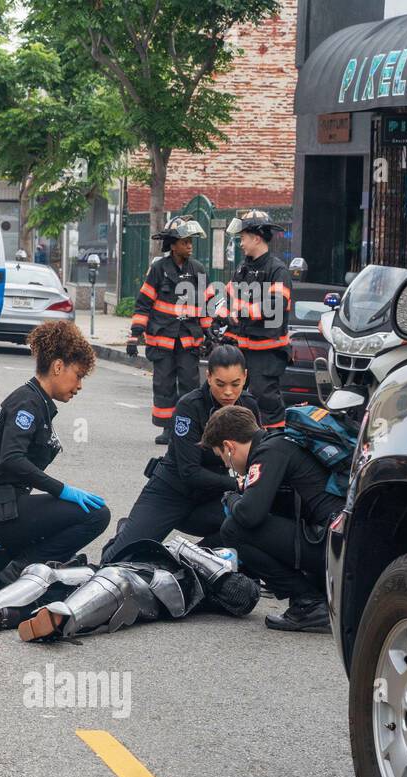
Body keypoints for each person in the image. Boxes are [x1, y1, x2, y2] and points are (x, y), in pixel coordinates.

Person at [0, 322, 110, 588]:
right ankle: (23, 570)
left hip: (1, 505)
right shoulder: (28, 404)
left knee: (61, 538)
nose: (79, 385)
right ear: (58, 367)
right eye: (77, 375)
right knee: (97, 515)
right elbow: (12, 458)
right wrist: (62, 490)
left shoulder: (37, 401)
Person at [0, 537, 259, 640]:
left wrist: (202, 558)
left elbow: (243, 597)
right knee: (45, 573)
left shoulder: (217, 568)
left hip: (149, 587)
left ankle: (63, 620)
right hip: (118, 568)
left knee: (118, 582)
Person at [102, 345, 260, 561]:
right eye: (220, 384)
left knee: (251, 523)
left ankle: (190, 560)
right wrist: (238, 484)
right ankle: (126, 532)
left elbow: (257, 456)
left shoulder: (249, 406)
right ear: (209, 376)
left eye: (236, 384)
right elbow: (190, 472)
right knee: (118, 560)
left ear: (245, 377)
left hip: (213, 496)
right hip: (171, 492)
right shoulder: (189, 407)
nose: (228, 392)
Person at [201, 404, 344, 633]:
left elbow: (249, 515)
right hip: (342, 540)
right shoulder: (283, 442)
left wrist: (230, 499)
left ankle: (309, 604)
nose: (228, 466)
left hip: (334, 545)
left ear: (229, 447)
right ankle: (319, 596)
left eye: (224, 459)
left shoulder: (269, 452)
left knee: (233, 530)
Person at [125, 216, 220, 443]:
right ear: (173, 245)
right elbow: (144, 303)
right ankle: (168, 429)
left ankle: (185, 428)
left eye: (190, 241)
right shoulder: (159, 269)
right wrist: (134, 336)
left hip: (188, 339)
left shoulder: (198, 270)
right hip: (163, 339)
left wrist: (209, 334)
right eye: (185, 241)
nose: (189, 245)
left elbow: (205, 307)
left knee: (189, 384)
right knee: (163, 384)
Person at [217, 210, 292, 429]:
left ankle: (275, 441)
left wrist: (238, 310)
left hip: (267, 351)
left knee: (265, 399)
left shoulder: (277, 270)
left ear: (256, 238)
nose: (240, 243)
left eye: (243, 238)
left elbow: (274, 306)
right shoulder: (243, 268)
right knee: (238, 398)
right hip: (244, 348)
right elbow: (228, 298)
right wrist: (219, 319)